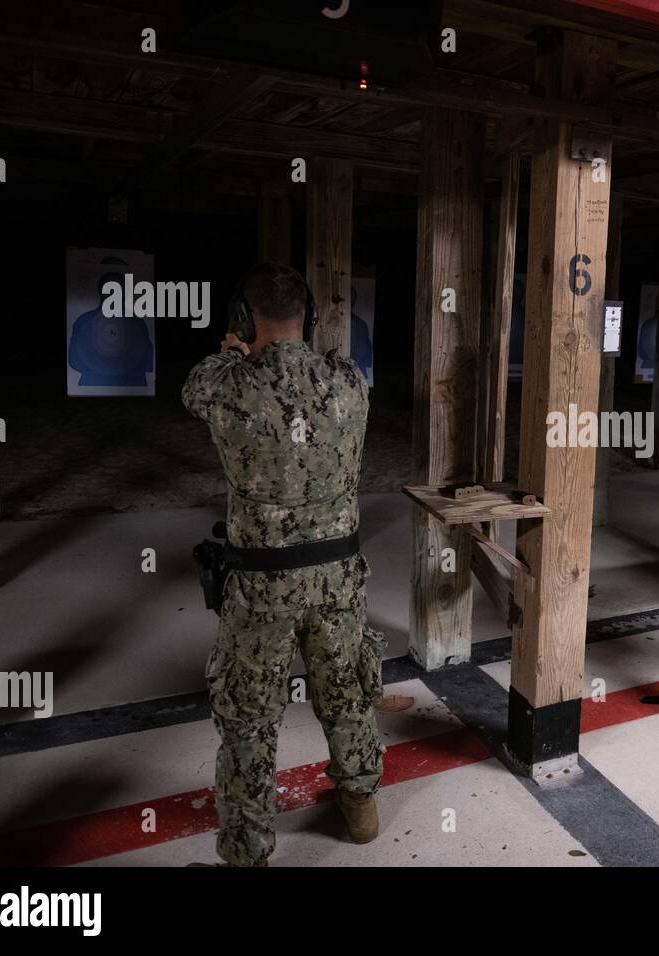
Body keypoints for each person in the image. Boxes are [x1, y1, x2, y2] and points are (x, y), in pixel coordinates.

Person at [182, 261, 382, 866]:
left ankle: (247, 852)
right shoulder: (349, 381)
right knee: (346, 691)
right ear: (311, 319)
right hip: (338, 578)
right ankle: (361, 809)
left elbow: (195, 388)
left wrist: (233, 351)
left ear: (244, 319)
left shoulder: (226, 384)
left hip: (261, 584)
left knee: (248, 717)